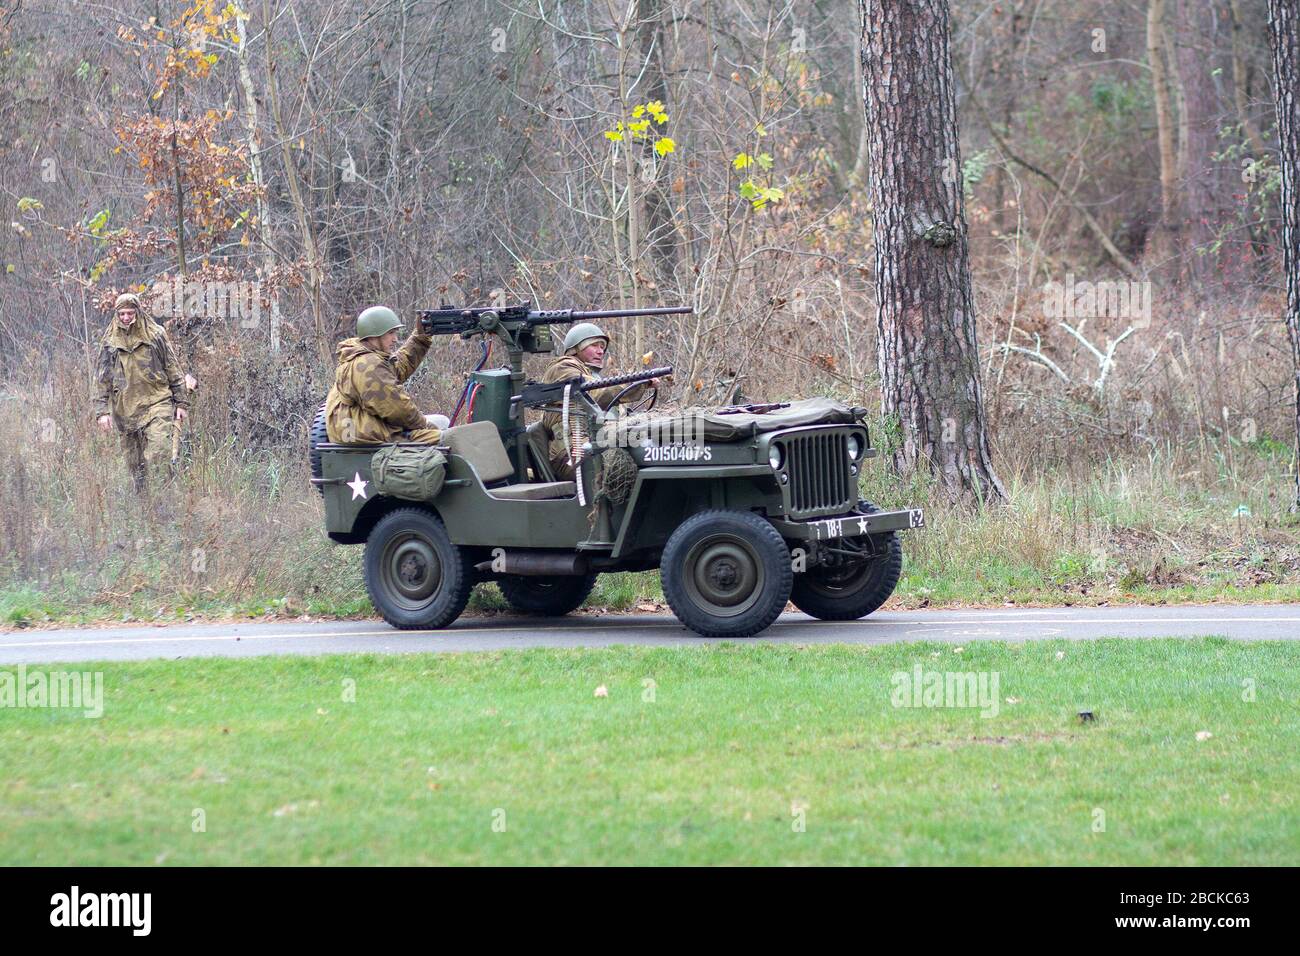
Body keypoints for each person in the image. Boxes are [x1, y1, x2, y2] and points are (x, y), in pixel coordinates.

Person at [94, 292, 190, 492]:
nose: (126, 318)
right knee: (136, 468)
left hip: (157, 402)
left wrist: (181, 402)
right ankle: (145, 507)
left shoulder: (155, 334)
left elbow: (172, 366)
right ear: (116, 315)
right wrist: (102, 412)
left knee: (158, 455)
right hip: (125, 410)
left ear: (138, 312)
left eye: (130, 313)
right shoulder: (110, 342)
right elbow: (102, 378)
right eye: (122, 314)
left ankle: (167, 500)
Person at [540, 322, 657, 480]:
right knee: (623, 468)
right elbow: (595, 394)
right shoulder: (562, 368)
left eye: (602, 347)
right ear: (576, 348)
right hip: (572, 453)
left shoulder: (591, 375)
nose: (600, 351)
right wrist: (640, 383)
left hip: (594, 445)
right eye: (594, 345)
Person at [325, 306, 445, 444]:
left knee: (442, 422)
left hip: (355, 429)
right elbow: (398, 409)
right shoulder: (369, 364)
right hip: (364, 435)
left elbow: (398, 367)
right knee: (448, 439)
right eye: (391, 333)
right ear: (375, 335)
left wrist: (420, 338)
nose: (395, 339)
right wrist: (427, 427)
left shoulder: (361, 356)